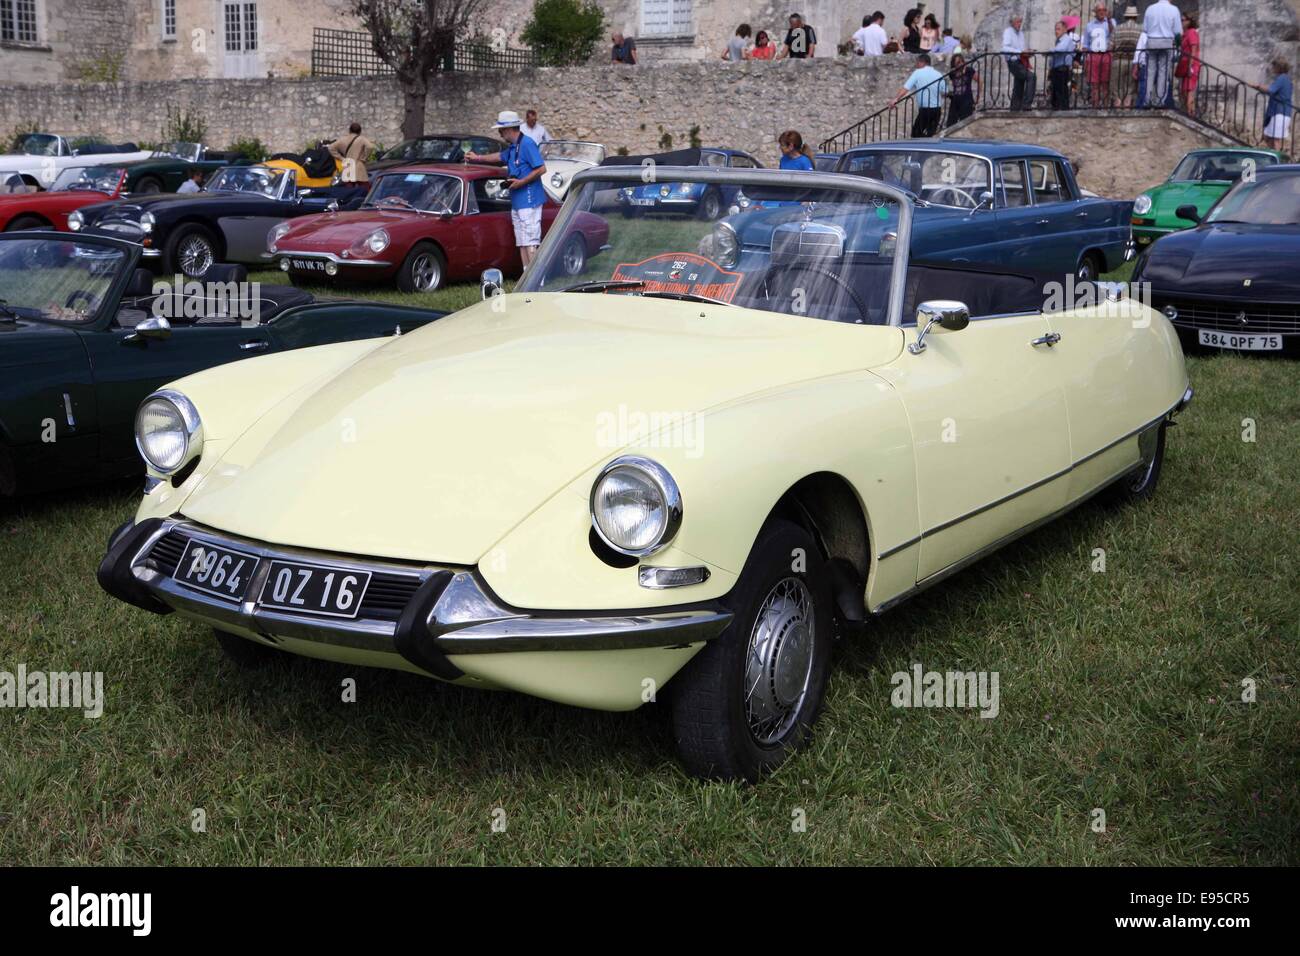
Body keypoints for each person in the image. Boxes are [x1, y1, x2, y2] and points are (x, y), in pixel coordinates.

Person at [465, 111, 548, 269]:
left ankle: (536, 282)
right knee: (522, 241)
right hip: (518, 202)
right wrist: (478, 158)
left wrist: (521, 182)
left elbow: (542, 168)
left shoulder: (527, 143)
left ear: (509, 129)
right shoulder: (513, 146)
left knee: (530, 242)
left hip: (529, 201)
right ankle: (526, 278)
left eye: (501, 130)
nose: (500, 134)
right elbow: (499, 157)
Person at [889, 53, 947, 137]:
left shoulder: (918, 72)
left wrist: (896, 99)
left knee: (916, 135)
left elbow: (906, 88)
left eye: (917, 63)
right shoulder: (938, 74)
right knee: (930, 135)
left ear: (922, 62)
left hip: (925, 110)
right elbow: (945, 91)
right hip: (937, 110)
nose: (916, 65)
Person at [1143, 0, 1181, 109]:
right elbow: (1178, 32)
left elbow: (1145, 29)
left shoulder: (1150, 8)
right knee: (1163, 72)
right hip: (1166, 41)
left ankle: (1148, 99)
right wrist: (1178, 46)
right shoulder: (1174, 9)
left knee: (1150, 71)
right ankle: (1159, 100)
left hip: (1152, 41)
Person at [1255, 58, 1293, 151]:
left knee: (1275, 140)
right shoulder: (1286, 80)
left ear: (1279, 67)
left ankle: (1277, 162)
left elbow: (1271, 89)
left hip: (1279, 112)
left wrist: (1258, 86)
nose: (1273, 68)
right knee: (1268, 137)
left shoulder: (1282, 78)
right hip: (1280, 112)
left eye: (1274, 66)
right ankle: (1273, 157)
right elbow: (1274, 92)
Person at [1082, 3, 1115, 107]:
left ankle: (1105, 107)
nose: (1102, 12)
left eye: (1104, 10)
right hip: (1093, 55)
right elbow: (1086, 43)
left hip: (1106, 55)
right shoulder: (1089, 25)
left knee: (1105, 83)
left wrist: (1109, 20)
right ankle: (1095, 106)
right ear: (1095, 12)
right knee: (1094, 83)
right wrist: (1085, 57)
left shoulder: (1111, 22)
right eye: (1099, 10)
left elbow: (1113, 33)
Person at [1002, 14, 1034, 111]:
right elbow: (1005, 48)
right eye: (1017, 22)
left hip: (1020, 60)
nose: (1020, 24)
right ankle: (1026, 104)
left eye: (1020, 21)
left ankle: (1015, 108)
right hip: (1013, 61)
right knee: (1031, 76)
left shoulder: (1021, 34)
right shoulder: (1008, 32)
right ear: (1012, 22)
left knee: (1019, 83)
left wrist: (1027, 52)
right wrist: (1020, 52)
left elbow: (1021, 49)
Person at [1050, 19, 1078, 110]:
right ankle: (1058, 108)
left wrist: (1050, 51)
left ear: (1065, 30)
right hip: (1056, 68)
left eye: (1058, 29)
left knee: (1061, 91)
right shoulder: (1059, 40)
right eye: (1055, 29)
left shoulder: (1066, 39)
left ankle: (1063, 110)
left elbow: (1060, 49)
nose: (1056, 31)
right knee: (1056, 91)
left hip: (1061, 69)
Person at [946, 52, 980, 126]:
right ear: (954, 64)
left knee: (966, 123)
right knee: (950, 124)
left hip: (967, 100)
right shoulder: (952, 73)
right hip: (955, 101)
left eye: (962, 61)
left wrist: (978, 97)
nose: (961, 63)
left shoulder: (969, 70)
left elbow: (980, 81)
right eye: (958, 62)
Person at [1176, 14, 1200, 115]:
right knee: (1184, 91)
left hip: (1191, 64)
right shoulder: (1185, 34)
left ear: (1189, 21)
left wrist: (1190, 67)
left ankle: (1191, 114)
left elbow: (1193, 50)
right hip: (1185, 65)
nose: (1181, 22)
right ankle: (1189, 112)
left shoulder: (1192, 33)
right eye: (1180, 20)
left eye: (1183, 20)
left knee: (1189, 91)